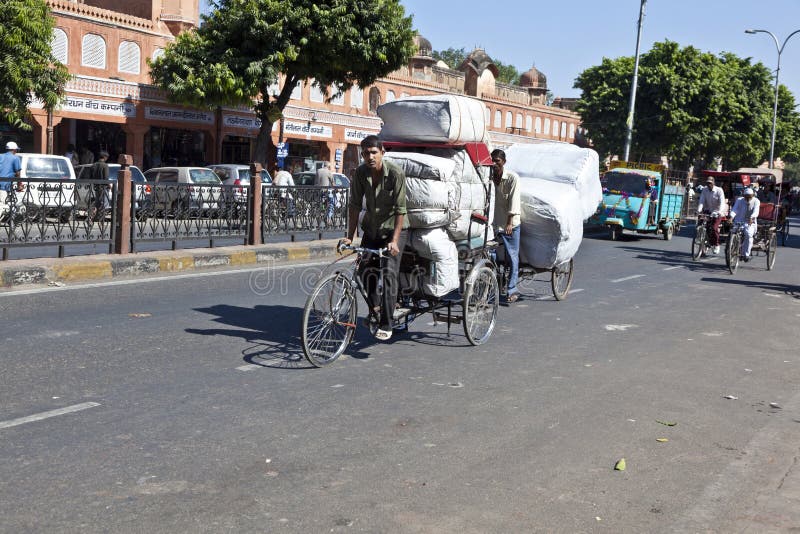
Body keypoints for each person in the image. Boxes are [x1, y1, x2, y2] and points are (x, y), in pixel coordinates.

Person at [341, 135, 408, 341]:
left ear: (382, 153)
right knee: (364, 270)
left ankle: (387, 323)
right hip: (371, 229)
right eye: (365, 153)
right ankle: (376, 308)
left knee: (388, 274)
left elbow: (400, 209)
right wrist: (349, 237)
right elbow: (354, 205)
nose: (370, 157)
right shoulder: (361, 173)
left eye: (373, 152)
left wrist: (394, 241)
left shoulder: (395, 174)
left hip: (394, 231)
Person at [491, 148, 521, 303]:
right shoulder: (489, 177)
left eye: (497, 161)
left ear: (504, 162)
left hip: (510, 224)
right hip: (494, 224)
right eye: (492, 160)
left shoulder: (512, 178)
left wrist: (509, 222)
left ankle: (512, 289)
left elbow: (514, 201)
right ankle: (495, 282)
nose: (494, 164)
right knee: (490, 254)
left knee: (512, 256)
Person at [696, 176, 727, 254]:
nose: (709, 184)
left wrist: (719, 212)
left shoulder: (719, 190)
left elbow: (722, 203)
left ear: (713, 183)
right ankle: (704, 241)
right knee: (700, 224)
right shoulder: (704, 190)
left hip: (717, 212)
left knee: (714, 228)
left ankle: (716, 244)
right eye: (707, 183)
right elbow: (701, 201)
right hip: (708, 211)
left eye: (710, 183)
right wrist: (699, 210)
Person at [729, 187, 760, 262]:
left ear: (753, 195)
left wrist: (752, 218)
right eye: (746, 197)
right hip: (739, 221)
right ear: (744, 196)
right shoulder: (739, 200)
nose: (748, 198)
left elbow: (756, 211)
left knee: (748, 235)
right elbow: (735, 209)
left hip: (750, 222)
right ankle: (731, 248)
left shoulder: (756, 201)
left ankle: (746, 254)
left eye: (749, 197)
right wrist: (731, 217)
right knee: (732, 231)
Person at [0, 142, 22, 216]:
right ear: (14, 150)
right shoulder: (15, 158)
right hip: (5, 185)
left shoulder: (0, 156)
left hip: (3, 184)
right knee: (2, 205)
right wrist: (19, 185)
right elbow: (18, 173)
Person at [87, 150, 110, 222]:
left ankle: (91, 216)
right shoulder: (105, 166)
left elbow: (90, 178)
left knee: (97, 203)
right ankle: (101, 219)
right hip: (103, 188)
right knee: (104, 204)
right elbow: (106, 178)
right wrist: (110, 185)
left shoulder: (93, 165)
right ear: (104, 157)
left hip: (96, 188)